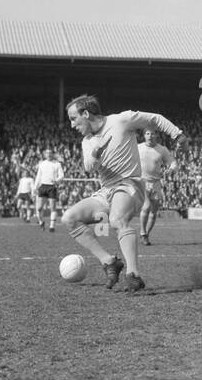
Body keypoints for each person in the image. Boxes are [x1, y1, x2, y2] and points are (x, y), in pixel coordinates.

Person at [63, 95, 184, 292]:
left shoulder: (121, 120)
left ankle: (133, 275)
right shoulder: (87, 141)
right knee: (69, 218)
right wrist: (96, 153)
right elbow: (88, 167)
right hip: (106, 191)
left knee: (117, 219)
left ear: (86, 114)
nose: (71, 124)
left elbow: (154, 119)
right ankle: (109, 262)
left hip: (130, 185)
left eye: (73, 118)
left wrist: (178, 135)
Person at [138, 129, 174, 246]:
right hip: (142, 181)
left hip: (156, 183)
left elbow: (172, 162)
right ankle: (143, 233)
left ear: (157, 135)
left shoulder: (162, 150)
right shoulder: (138, 148)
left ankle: (146, 235)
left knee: (154, 212)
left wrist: (171, 168)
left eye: (152, 133)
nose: (150, 136)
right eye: (147, 133)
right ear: (144, 135)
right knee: (146, 206)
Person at [33, 149, 64, 232]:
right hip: (43, 186)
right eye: (47, 153)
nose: (49, 154)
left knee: (52, 208)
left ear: (52, 154)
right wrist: (35, 187)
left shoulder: (57, 164)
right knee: (39, 208)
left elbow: (61, 175)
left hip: (52, 187)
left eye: (50, 153)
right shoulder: (42, 164)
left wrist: (57, 180)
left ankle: (52, 226)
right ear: (45, 155)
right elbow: (38, 176)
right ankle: (41, 222)